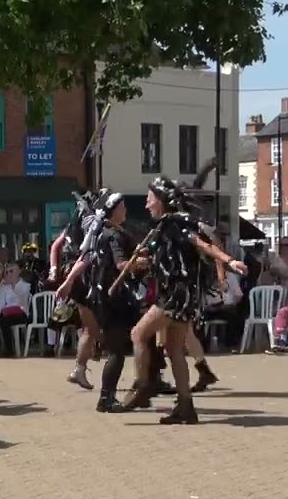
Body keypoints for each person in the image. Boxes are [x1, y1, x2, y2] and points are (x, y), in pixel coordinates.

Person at [123, 177, 247, 424]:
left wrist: (229, 261)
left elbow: (203, 245)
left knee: (137, 334)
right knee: (174, 350)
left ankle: (143, 386)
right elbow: (164, 254)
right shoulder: (163, 228)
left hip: (174, 297)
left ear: (160, 201)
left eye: (149, 200)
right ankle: (186, 406)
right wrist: (141, 258)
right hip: (182, 297)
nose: (147, 206)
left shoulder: (175, 224)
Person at [82, 192, 143, 412]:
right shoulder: (113, 236)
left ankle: (143, 387)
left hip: (104, 298)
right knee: (117, 351)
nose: (125, 211)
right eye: (123, 207)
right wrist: (141, 263)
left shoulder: (105, 233)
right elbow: (121, 265)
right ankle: (106, 398)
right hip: (112, 300)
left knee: (123, 346)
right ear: (114, 210)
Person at [53, 191, 104, 389]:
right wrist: (68, 280)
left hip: (76, 281)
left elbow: (55, 247)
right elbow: (87, 257)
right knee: (96, 328)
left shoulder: (72, 226)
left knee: (90, 328)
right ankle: (86, 364)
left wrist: (54, 270)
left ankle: (81, 367)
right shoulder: (94, 223)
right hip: (88, 279)